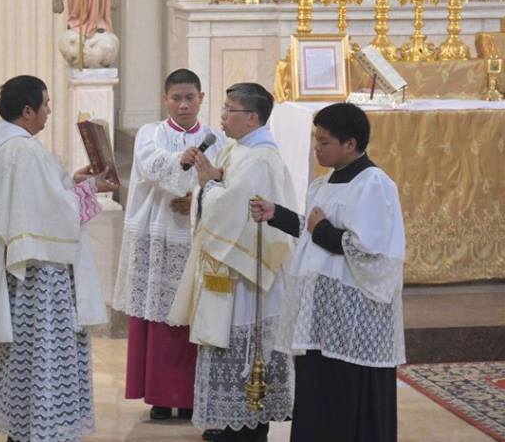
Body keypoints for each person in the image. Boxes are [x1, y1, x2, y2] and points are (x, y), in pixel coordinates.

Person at [0, 75, 116, 442]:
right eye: (46, 104)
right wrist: (89, 189)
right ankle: (43, 431)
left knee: (25, 365)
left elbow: (33, 202)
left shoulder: (1, 145)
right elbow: (55, 215)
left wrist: (71, 182)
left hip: (22, 279)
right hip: (41, 284)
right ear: (27, 111)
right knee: (45, 365)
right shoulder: (26, 152)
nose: (49, 111)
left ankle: (26, 430)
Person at [250, 103, 405, 442]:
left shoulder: (374, 185)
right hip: (320, 317)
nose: (316, 149)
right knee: (317, 394)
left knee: (345, 399)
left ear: (350, 144)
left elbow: (373, 252)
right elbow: (311, 228)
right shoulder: (323, 184)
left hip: (353, 319)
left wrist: (322, 230)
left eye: (324, 142)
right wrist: (277, 214)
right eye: (315, 140)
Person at [168, 83, 296, 442]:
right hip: (232, 270)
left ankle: (248, 427)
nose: (222, 117)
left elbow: (233, 211)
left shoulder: (262, 158)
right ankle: (230, 421)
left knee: (246, 348)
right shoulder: (241, 150)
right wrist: (214, 182)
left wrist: (209, 186)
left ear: (252, 117)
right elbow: (226, 196)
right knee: (225, 345)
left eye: (229, 110)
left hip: (249, 276)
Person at [113, 69, 225, 421]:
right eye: (176, 98)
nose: (183, 104)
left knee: (192, 316)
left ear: (201, 99)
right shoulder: (151, 134)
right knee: (159, 317)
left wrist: (198, 197)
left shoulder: (216, 138)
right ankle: (160, 395)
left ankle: (191, 396)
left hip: (196, 237)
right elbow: (150, 167)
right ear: (166, 100)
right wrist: (180, 163)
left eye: (190, 97)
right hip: (157, 233)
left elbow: (226, 177)